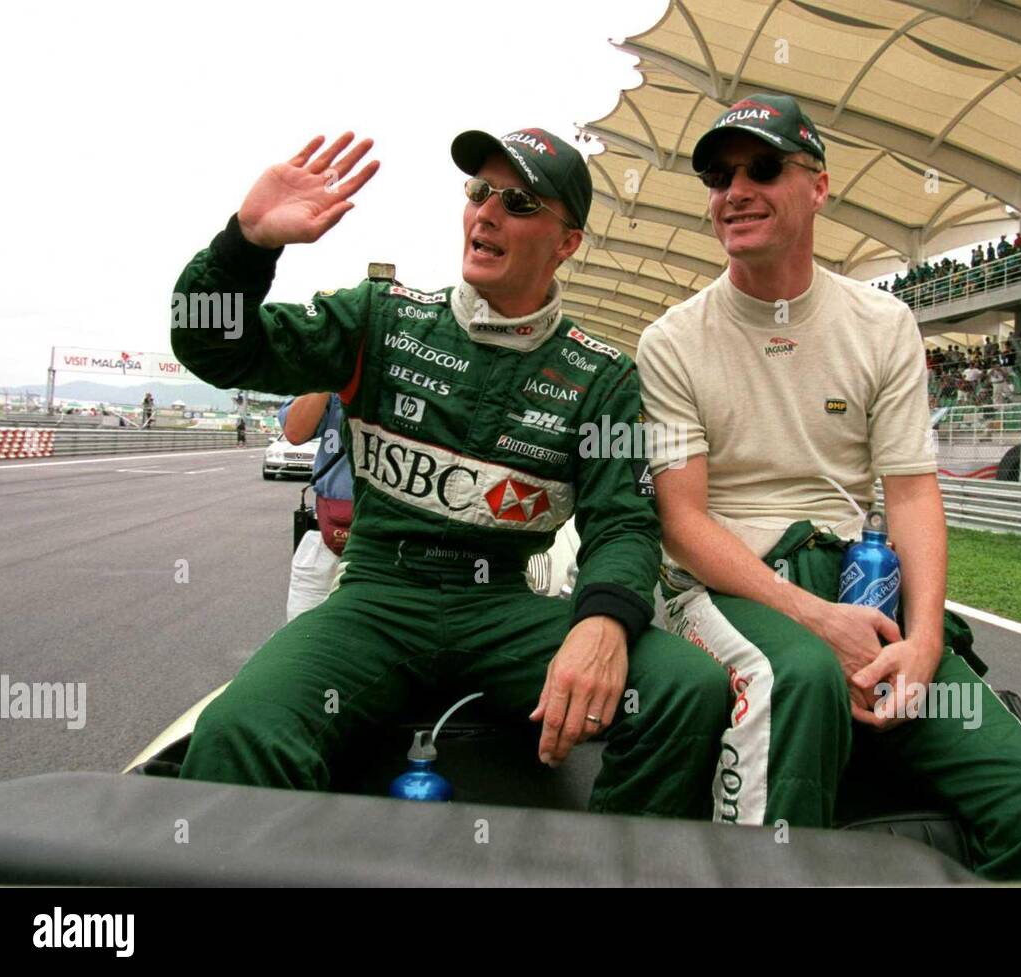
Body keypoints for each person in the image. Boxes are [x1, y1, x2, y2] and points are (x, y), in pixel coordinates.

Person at [168, 127, 730, 815]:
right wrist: (246, 243)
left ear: (567, 243)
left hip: (503, 609)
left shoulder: (602, 376)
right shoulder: (382, 318)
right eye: (478, 192)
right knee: (237, 730)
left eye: (518, 202)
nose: (486, 212)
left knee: (687, 688)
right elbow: (213, 350)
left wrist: (603, 623)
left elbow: (623, 522)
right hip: (376, 595)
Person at [635, 94, 1021, 880]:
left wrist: (925, 641)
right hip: (730, 591)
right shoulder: (669, 340)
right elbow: (683, 522)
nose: (735, 191)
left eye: (762, 168)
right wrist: (814, 619)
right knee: (792, 681)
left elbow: (912, 494)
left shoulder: (883, 323)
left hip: (862, 587)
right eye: (719, 176)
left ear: (819, 185)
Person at [278, 393, 353, 621]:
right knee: (301, 638)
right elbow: (295, 431)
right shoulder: (333, 384)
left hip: (399, 549)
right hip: (329, 539)